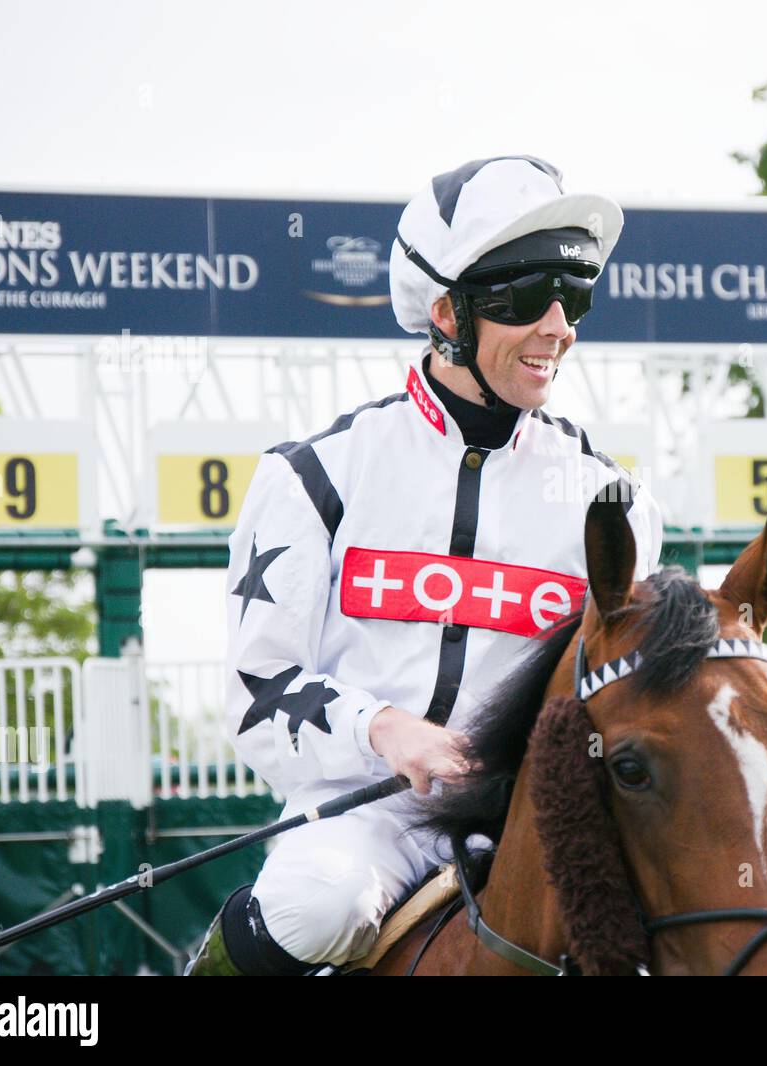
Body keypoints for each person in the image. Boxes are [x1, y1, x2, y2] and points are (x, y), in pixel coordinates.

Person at [187, 156, 663, 975]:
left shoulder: (613, 501)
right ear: (447, 311)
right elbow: (260, 691)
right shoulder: (314, 474)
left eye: (575, 295)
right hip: (363, 815)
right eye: (527, 297)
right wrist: (385, 730)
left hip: (534, 823)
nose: (560, 327)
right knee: (314, 907)